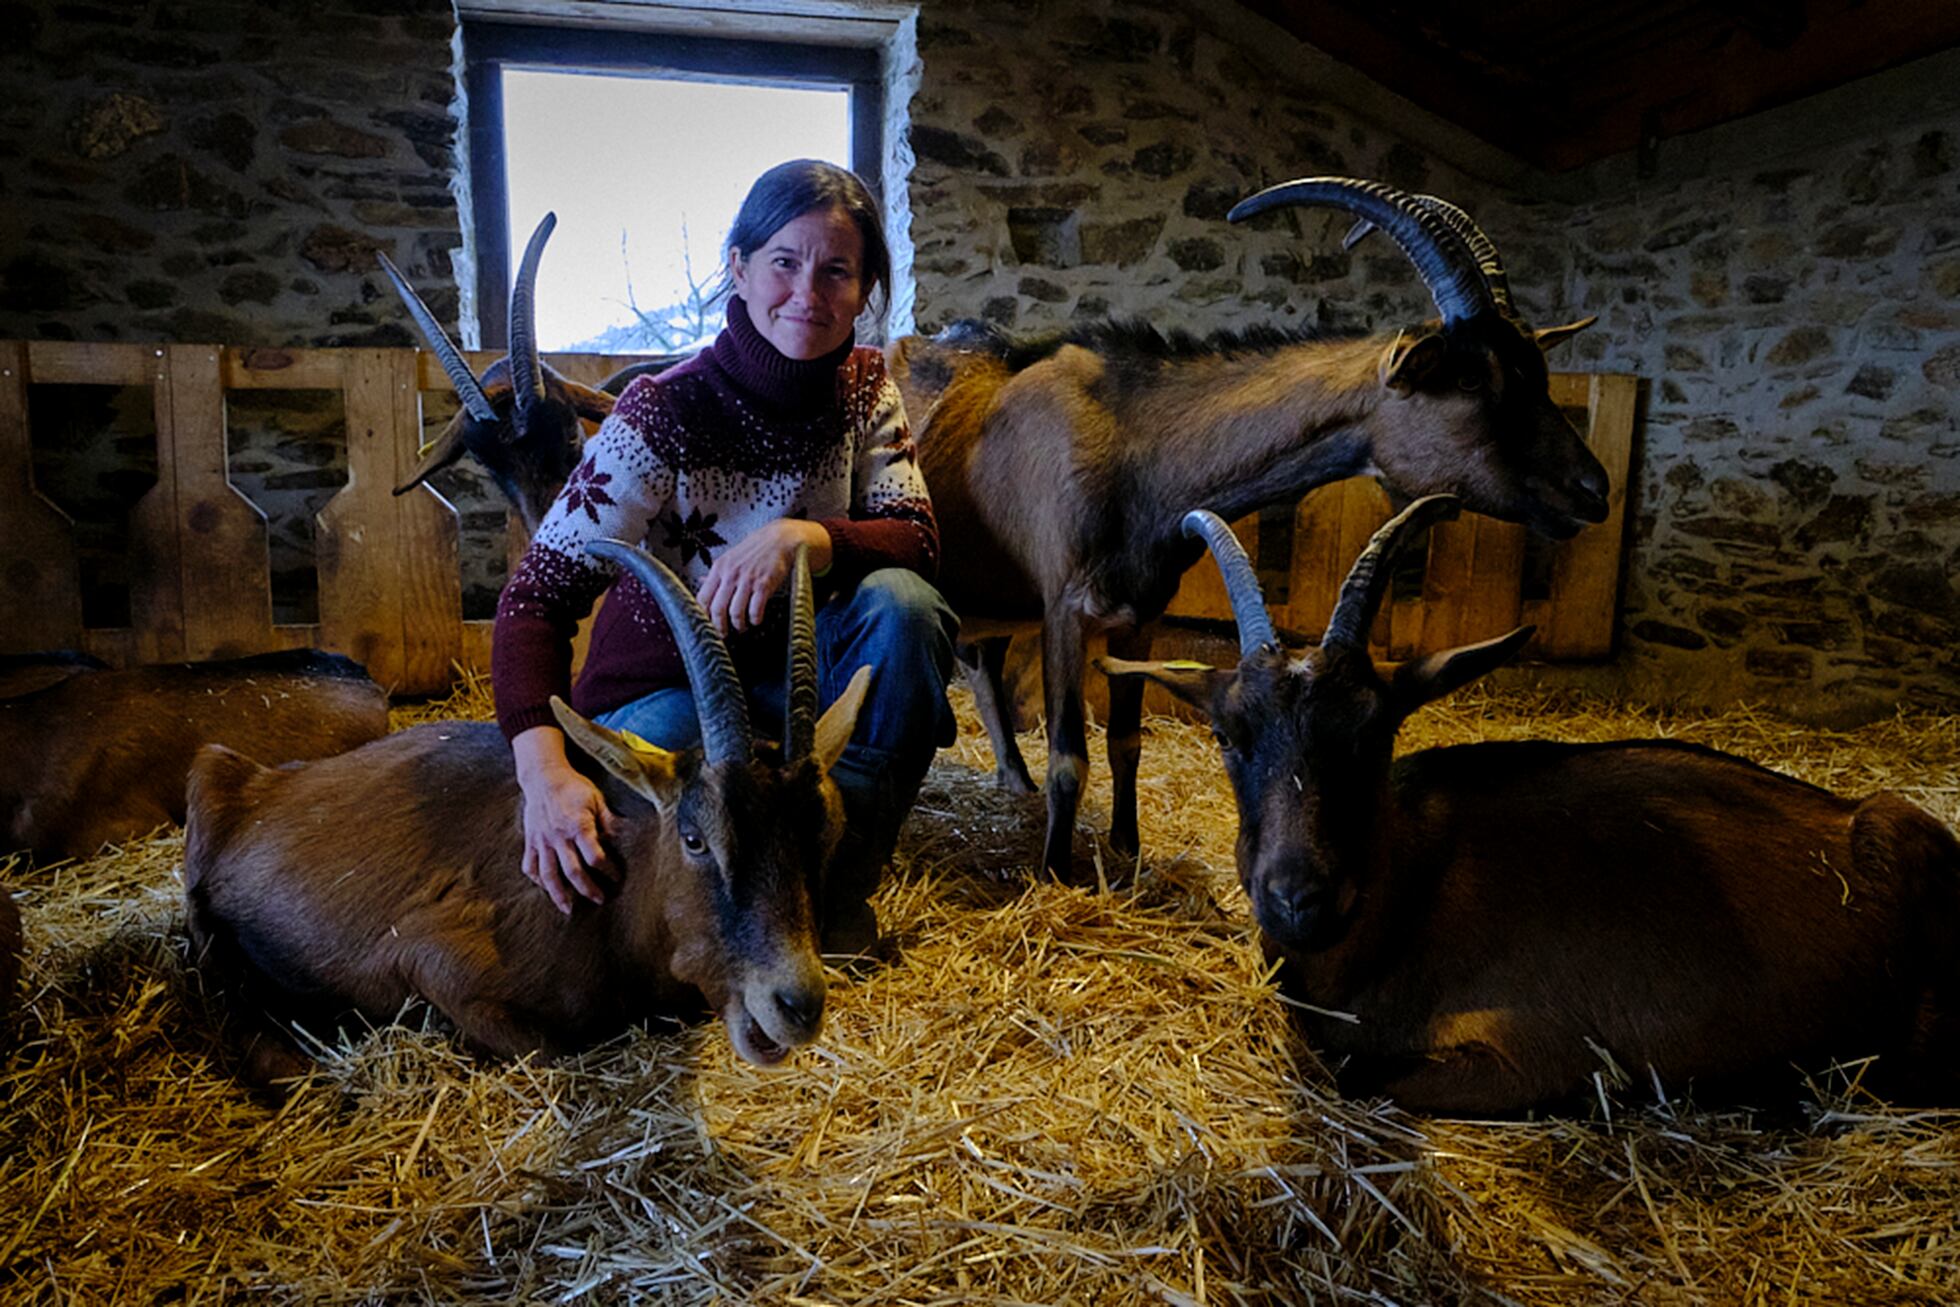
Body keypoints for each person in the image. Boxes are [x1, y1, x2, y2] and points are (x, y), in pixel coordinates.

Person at [491, 158, 957, 953]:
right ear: (738, 269)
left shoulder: (865, 389)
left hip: (795, 696)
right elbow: (536, 597)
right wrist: (543, 772)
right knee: (682, 795)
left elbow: (917, 538)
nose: (808, 293)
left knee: (908, 607)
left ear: (865, 290)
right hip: (667, 690)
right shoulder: (662, 411)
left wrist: (809, 538)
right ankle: (728, 934)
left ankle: (834, 889)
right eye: (784, 262)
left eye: (836, 271)